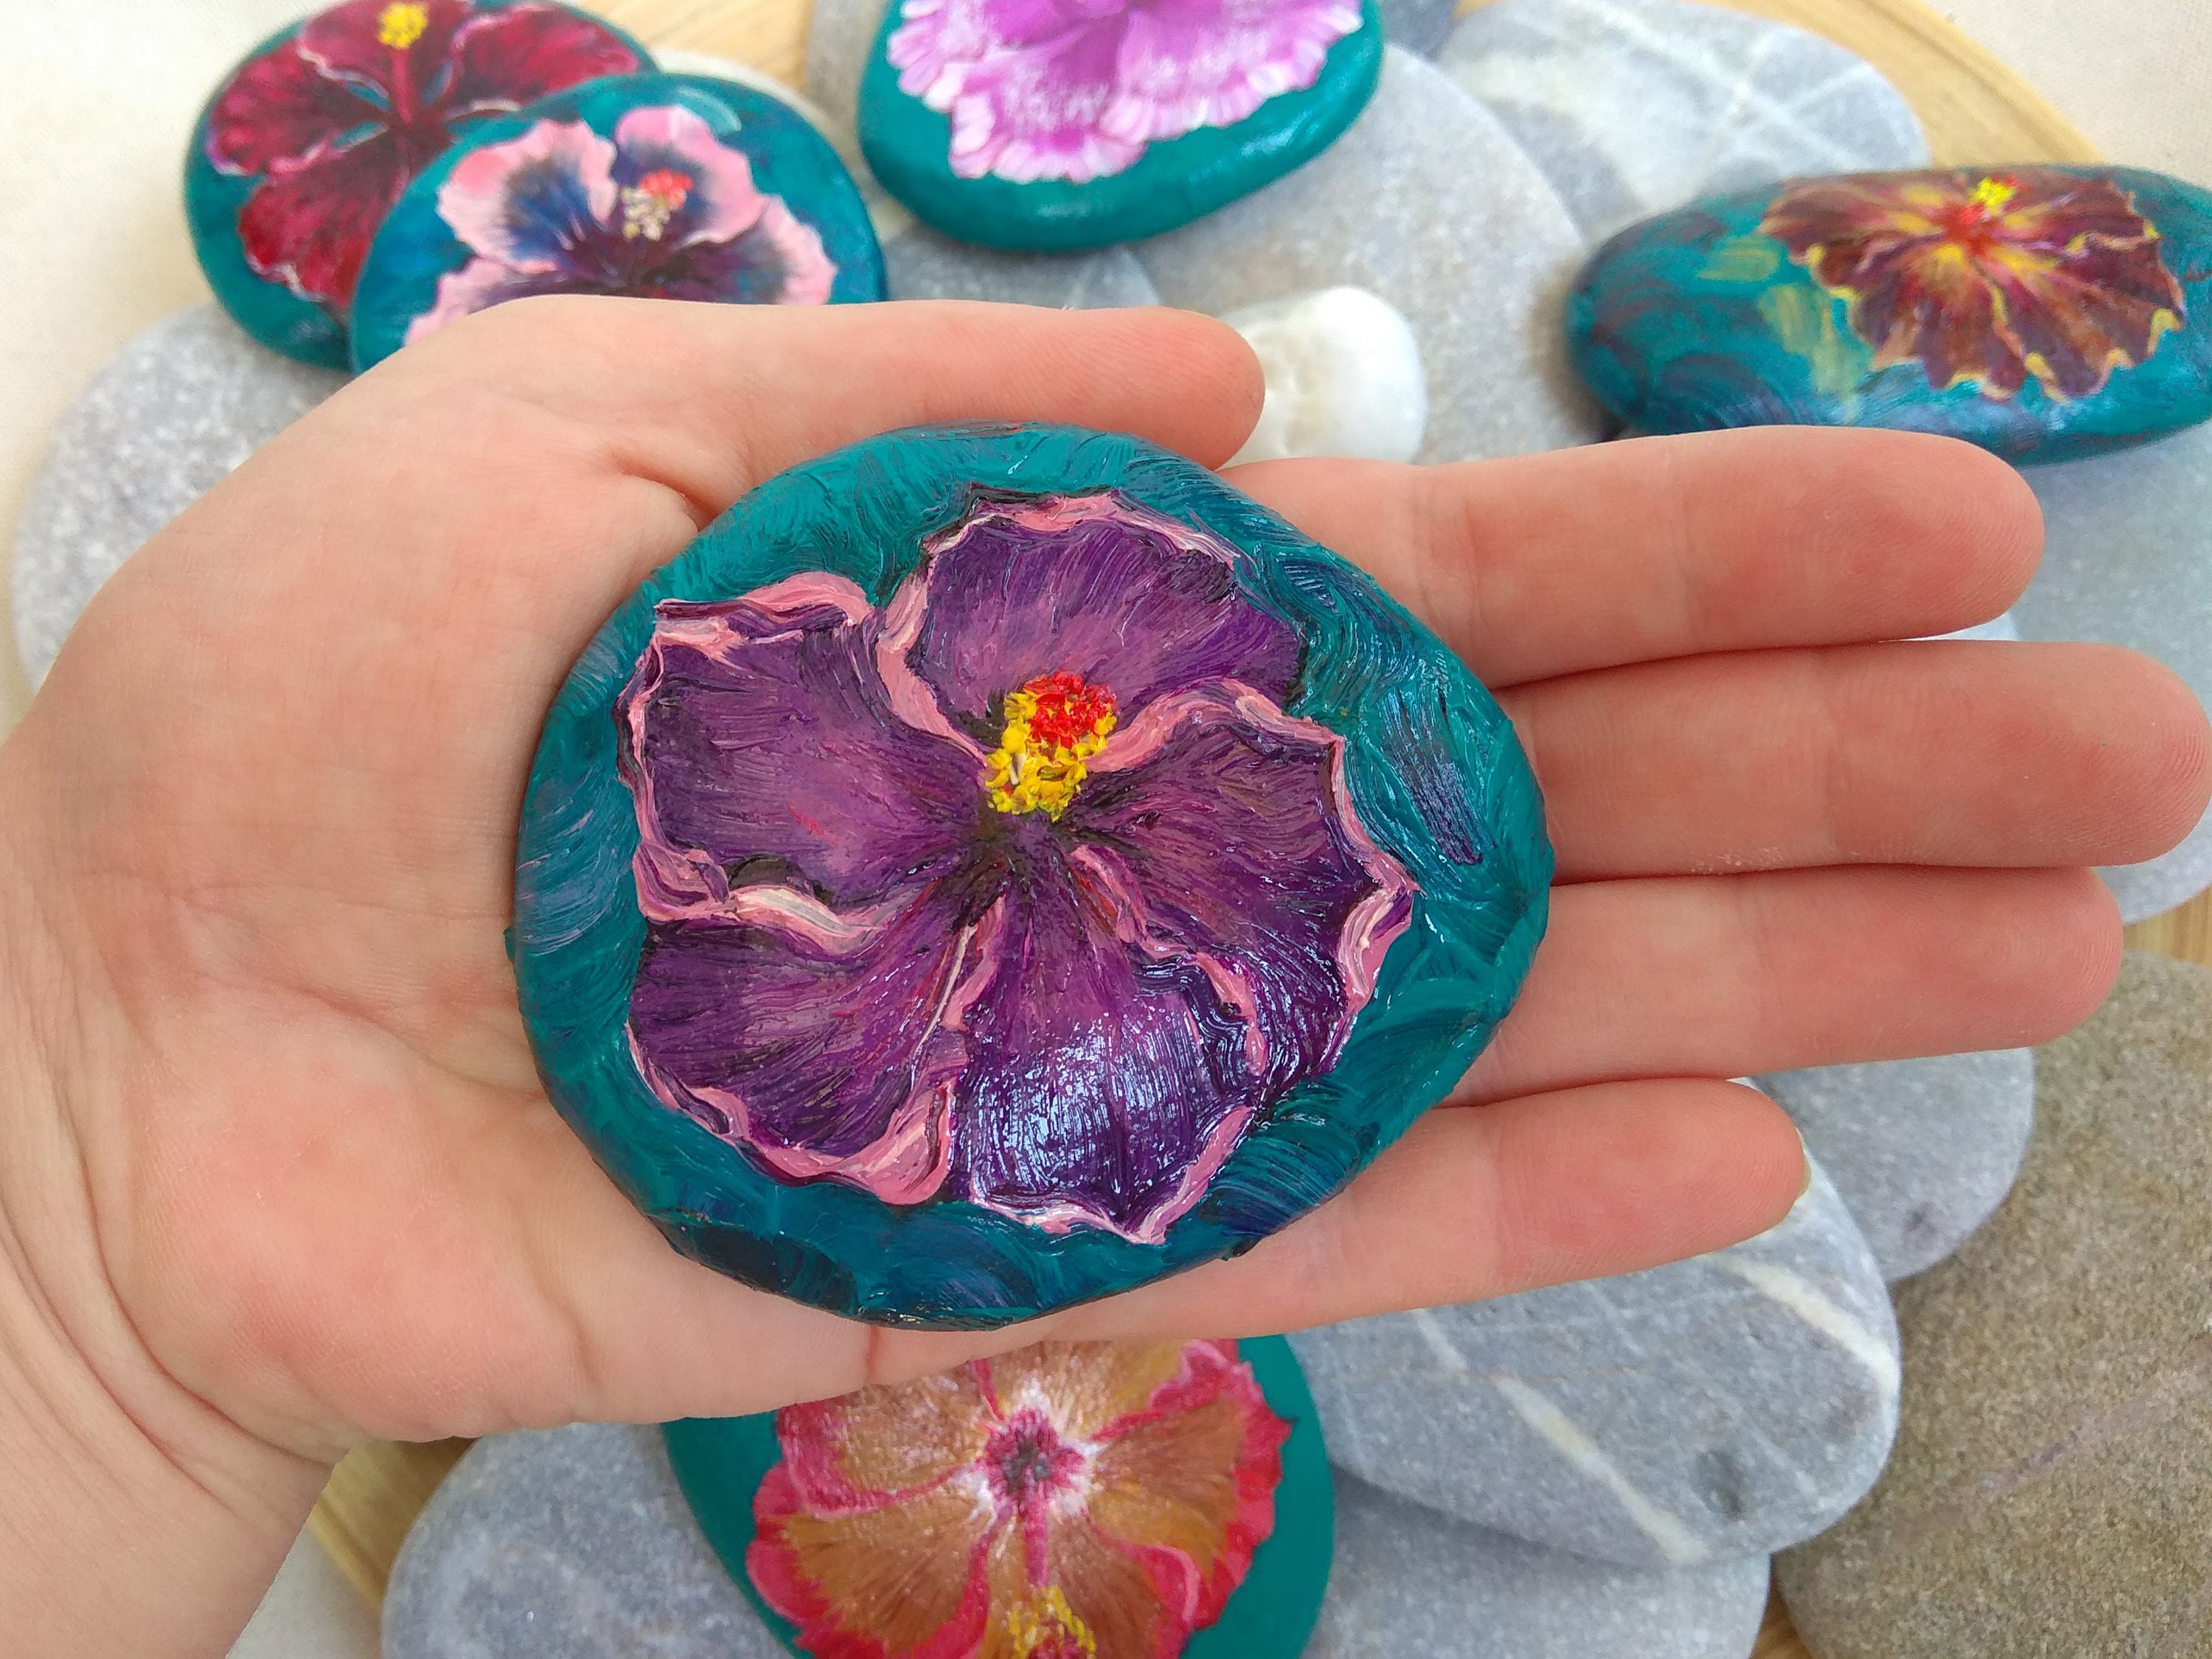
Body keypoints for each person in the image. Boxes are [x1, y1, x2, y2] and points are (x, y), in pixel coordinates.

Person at [0, 298, 2202, 1656]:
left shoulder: (1239, 915)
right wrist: (68, 1245)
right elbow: (792, 762)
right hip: (868, 955)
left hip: (1128, 977)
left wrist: (81, 1276)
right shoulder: (742, 805)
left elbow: (1204, 829)